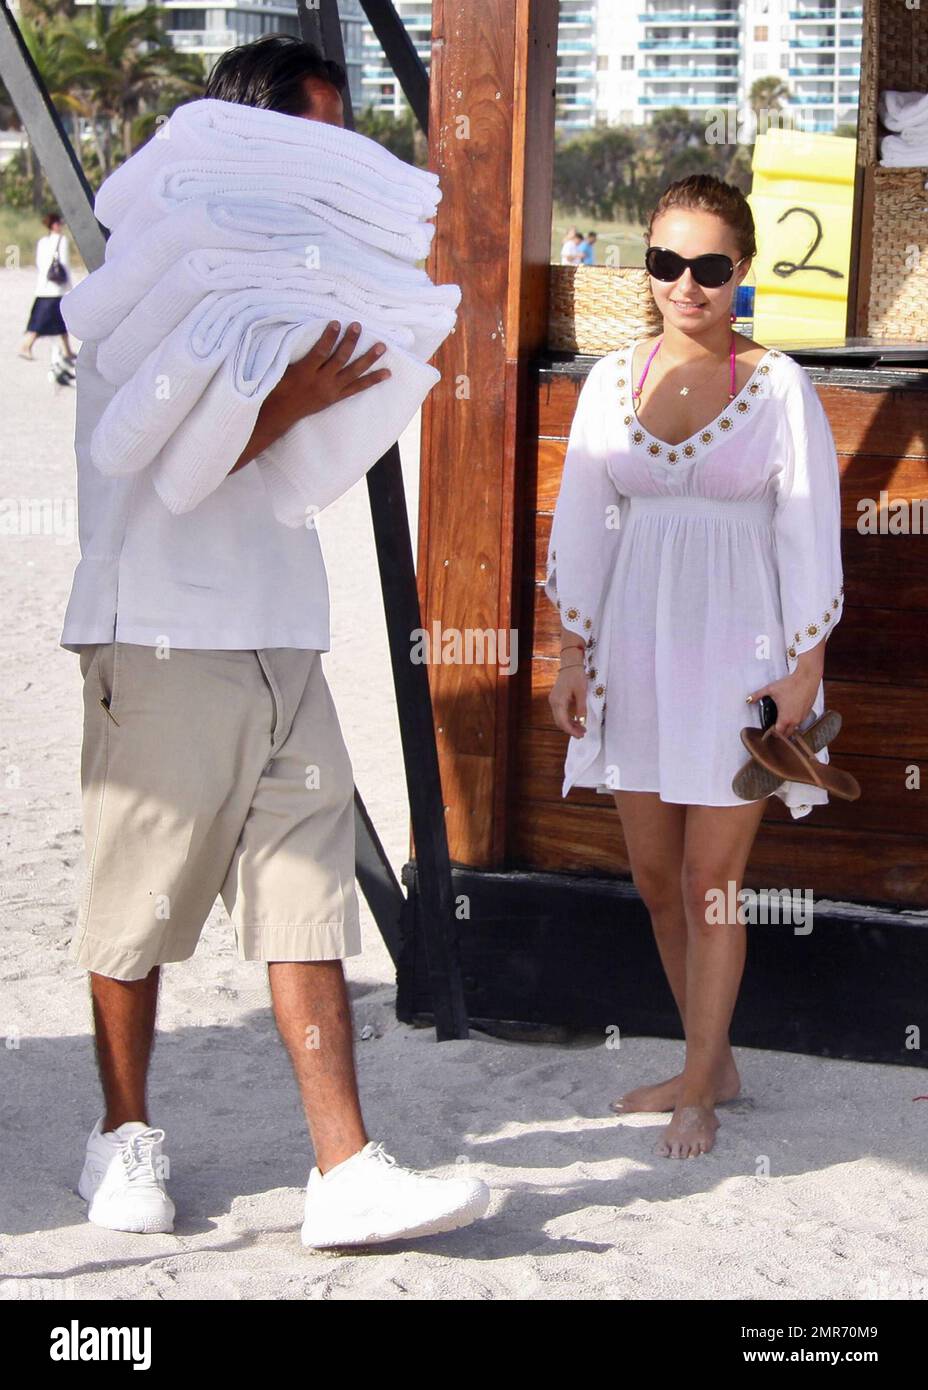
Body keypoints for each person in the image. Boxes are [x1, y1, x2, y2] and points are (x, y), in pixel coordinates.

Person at [63, 35, 490, 1247]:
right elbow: (174, 470)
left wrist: (335, 386)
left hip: (282, 630)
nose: (340, 157)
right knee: (136, 902)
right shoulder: (146, 286)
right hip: (159, 631)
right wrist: (291, 398)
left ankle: (343, 1167)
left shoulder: (291, 286)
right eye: (320, 132)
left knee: (307, 900)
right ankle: (122, 1135)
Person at [545, 174, 844, 1160]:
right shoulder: (608, 380)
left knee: (715, 879)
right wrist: (570, 649)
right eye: (666, 262)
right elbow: (583, 520)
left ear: (741, 271)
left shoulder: (777, 385)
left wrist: (805, 667)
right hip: (633, 647)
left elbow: (806, 527)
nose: (686, 284)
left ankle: (701, 1087)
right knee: (655, 874)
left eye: (708, 266)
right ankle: (707, 1061)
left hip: (738, 656)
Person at [20, 211, 78, 375]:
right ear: (55, 225)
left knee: (59, 320)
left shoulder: (42, 242)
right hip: (56, 288)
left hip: (43, 287)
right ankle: (26, 345)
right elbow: (65, 265)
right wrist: (70, 287)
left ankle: (67, 350)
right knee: (43, 321)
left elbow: (40, 264)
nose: (61, 225)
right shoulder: (63, 241)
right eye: (59, 223)